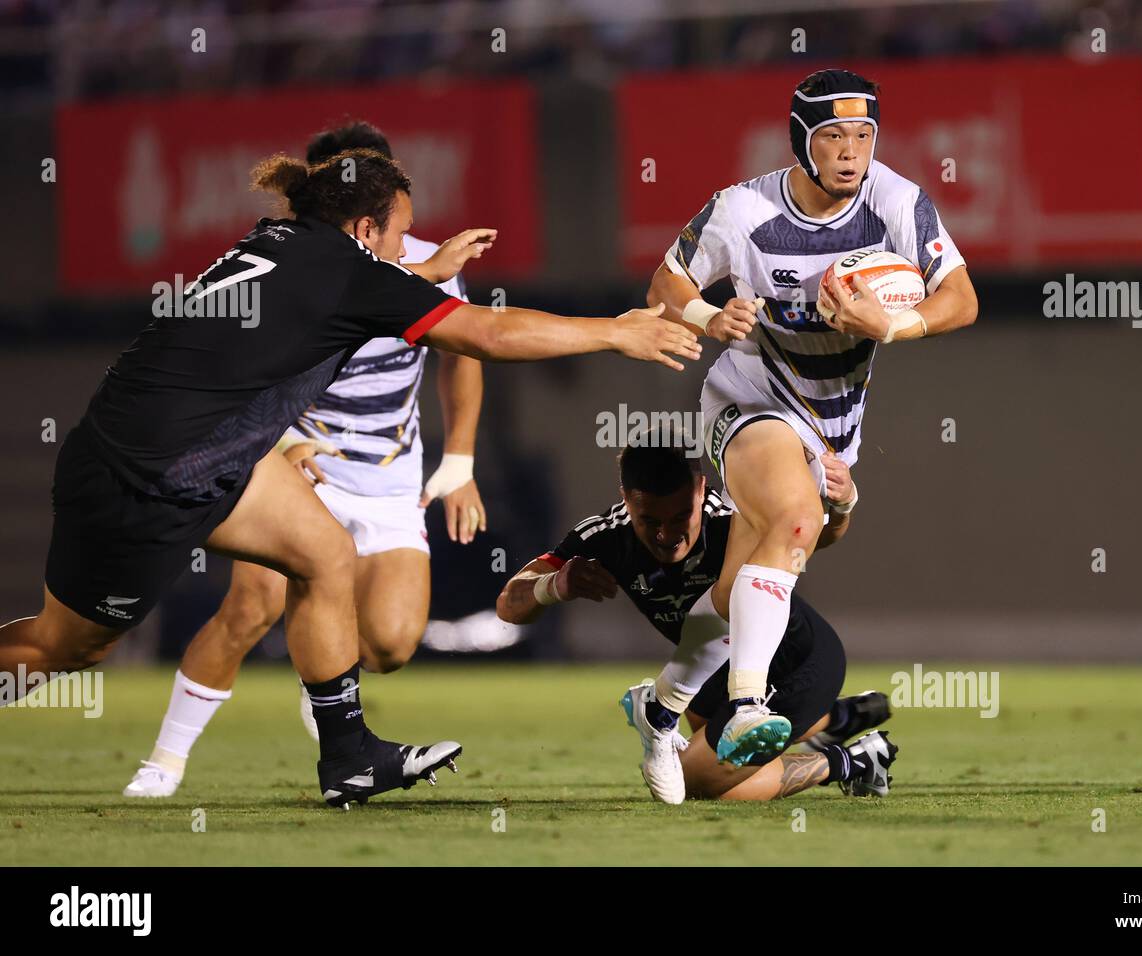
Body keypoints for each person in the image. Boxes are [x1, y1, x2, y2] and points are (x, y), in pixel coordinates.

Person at [1, 146, 701, 809]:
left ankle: (348, 757)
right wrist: (616, 332)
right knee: (71, 647)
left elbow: (347, 294)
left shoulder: (282, 241)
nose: (407, 246)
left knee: (323, 552)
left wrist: (418, 278)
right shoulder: (346, 273)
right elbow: (486, 334)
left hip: (197, 453)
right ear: (365, 228)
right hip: (142, 477)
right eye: (399, 233)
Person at [122, 122, 489, 798]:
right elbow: (237, 367)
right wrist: (285, 441)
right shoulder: (280, 265)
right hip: (298, 469)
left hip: (386, 479)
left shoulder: (429, 259)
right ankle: (164, 763)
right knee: (250, 607)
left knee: (391, 644)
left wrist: (459, 459)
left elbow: (466, 352)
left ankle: (324, 686)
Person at [646, 69, 977, 766]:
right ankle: (743, 706)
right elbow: (664, 285)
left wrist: (897, 324)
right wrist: (709, 314)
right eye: (833, 136)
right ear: (801, 140)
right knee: (796, 520)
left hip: (833, 426)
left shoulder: (895, 202)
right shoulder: (742, 211)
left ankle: (657, 706)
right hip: (749, 397)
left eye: (864, 135)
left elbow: (962, 298)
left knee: (752, 578)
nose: (852, 151)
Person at [496, 439, 895, 803]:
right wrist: (553, 586)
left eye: (681, 516)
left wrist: (842, 506)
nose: (668, 535)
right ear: (626, 500)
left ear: (702, 489)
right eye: (649, 521)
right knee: (703, 728)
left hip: (799, 664)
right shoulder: (605, 537)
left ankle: (854, 761)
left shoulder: (731, 522)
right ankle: (838, 719)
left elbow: (814, 536)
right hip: (712, 676)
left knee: (696, 785)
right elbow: (508, 605)